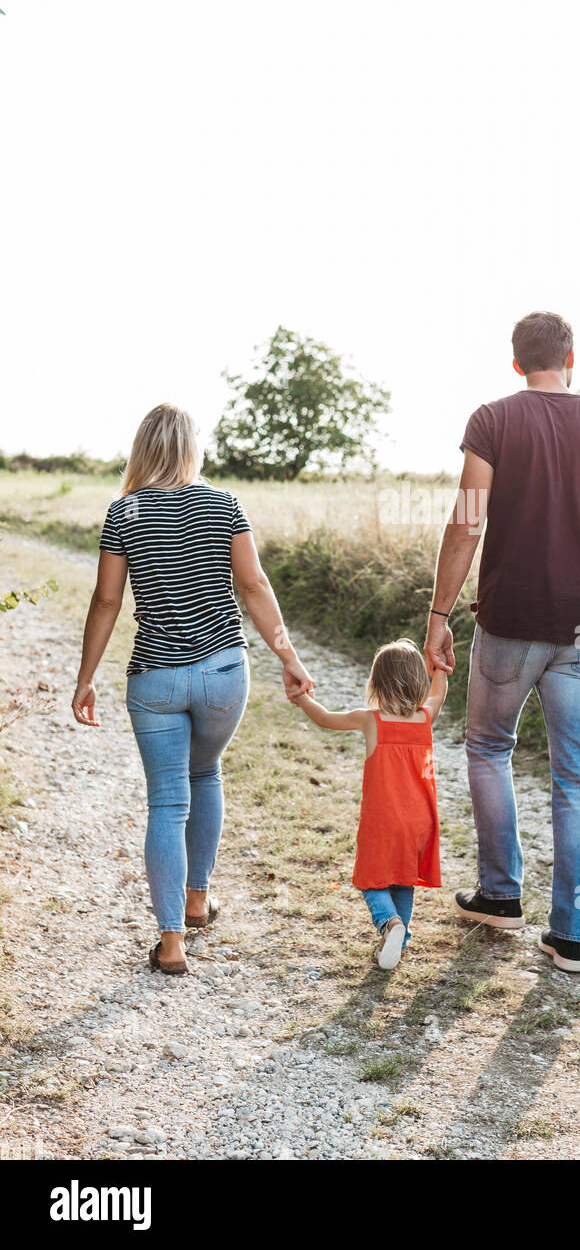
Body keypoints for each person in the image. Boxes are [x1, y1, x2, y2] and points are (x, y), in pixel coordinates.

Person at [424, 311, 580, 974]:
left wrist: (439, 613)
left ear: (517, 362)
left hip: (509, 625)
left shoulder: (492, 421)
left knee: (489, 747)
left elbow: (466, 526)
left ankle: (499, 894)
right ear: (572, 357)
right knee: (578, 774)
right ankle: (571, 936)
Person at [72, 402, 313, 975]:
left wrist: (85, 678)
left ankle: (172, 940)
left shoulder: (122, 512)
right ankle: (198, 897)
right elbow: (253, 586)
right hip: (222, 672)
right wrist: (289, 656)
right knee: (205, 773)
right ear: (190, 448)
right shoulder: (224, 502)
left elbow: (106, 601)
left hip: (154, 677)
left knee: (166, 801)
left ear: (142, 447)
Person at [292, 640, 446, 969]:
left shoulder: (371, 720)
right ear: (419, 681)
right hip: (421, 821)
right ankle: (398, 946)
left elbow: (324, 718)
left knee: (370, 880)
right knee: (404, 881)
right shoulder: (424, 718)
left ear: (375, 684)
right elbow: (439, 694)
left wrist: (301, 697)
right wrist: (440, 666)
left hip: (383, 820)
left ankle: (389, 923)